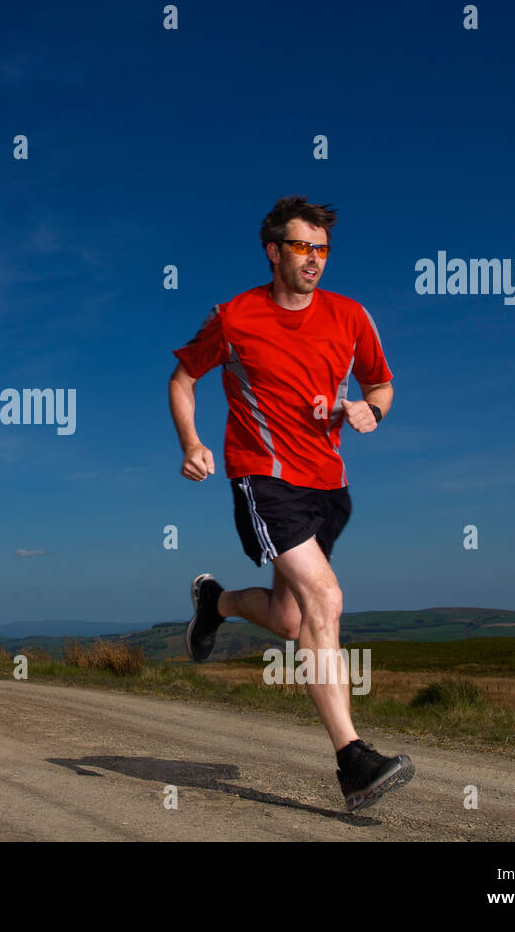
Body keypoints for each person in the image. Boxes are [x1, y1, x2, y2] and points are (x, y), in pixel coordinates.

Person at [167, 195, 415, 812]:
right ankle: (353, 760)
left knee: (292, 621)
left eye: (323, 249)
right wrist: (193, 442)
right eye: (303, 247)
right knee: (326, 599)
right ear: (274, 250)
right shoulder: (235, 317)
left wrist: (369, 410)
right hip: (264, 480)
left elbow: (381, 386)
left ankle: (213, 603)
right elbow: (182, 379)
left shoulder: (351, 316)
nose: (315, 259)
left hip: (328, 486)